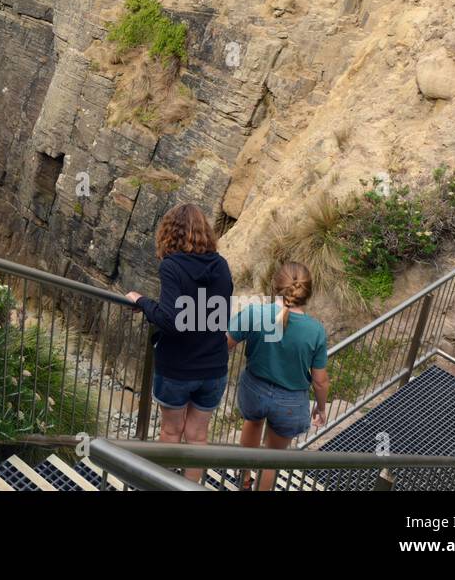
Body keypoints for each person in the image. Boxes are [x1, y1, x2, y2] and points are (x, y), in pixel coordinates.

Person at [125, 203, 233, 483]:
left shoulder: (171, 266)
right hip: (214, 366)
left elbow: (172, 320)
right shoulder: (221, 265)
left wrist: (142, 302)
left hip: (178, 368)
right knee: (198, 438)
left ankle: (162, 486)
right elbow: (214, 312)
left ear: (168, 233)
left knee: (171, 432)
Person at [227, 261, 330, 490]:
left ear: (275, 287)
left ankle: (243, 479)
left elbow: (225, 344)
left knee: (252, 423)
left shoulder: (255, 313)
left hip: (254, 388)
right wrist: (321, 408)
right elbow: (320, 380)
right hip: (290, 402)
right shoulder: (316, 331)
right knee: (272, 460)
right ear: (307, 293)